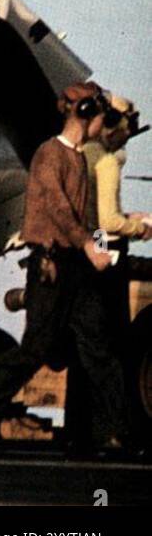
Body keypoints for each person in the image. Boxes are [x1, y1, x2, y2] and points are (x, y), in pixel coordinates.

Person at [0, 83, 128, 454]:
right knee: (34, 351)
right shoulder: (50, 155)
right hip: (52, 267)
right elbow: (60, 210)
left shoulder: (77, 158)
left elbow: (80, 217)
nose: (104, 126)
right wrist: (88, 245)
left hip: (75, 266)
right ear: (84, 115)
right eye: (100, 116)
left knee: (99, 350)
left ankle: (111, 433)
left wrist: (96, 247)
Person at [65, 94, 150, 450]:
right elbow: (108, 221)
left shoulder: (84, 154)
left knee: (85, 349)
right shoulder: (107, 162)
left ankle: (80, 433)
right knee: (110, 347)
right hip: (104, 253)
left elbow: (94, 222)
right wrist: (140, 226)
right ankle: (113, 430)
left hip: (85, 250)